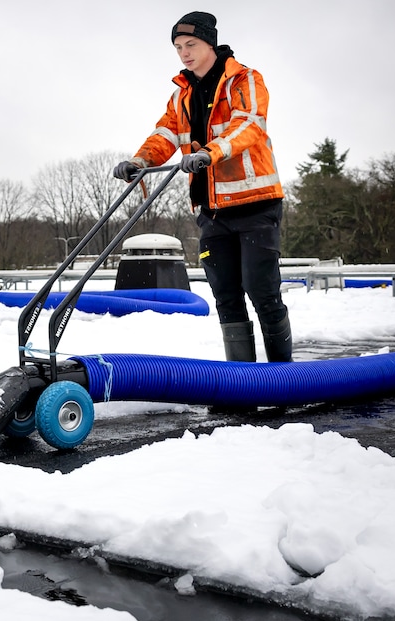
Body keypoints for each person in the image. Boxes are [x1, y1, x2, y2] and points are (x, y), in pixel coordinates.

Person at [113, 10, 292, 364]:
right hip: (210, 211)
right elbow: (164, 134)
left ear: (209, 42)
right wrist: (140, 161)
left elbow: (249, 126)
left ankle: (282, 379)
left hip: (254, 205)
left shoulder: (243, 80)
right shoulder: (181, 95)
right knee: (225, 294)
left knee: (262, 291)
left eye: (190, 44)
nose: (184, 53)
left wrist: (211, 153)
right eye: (178, 47)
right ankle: (242, 382)